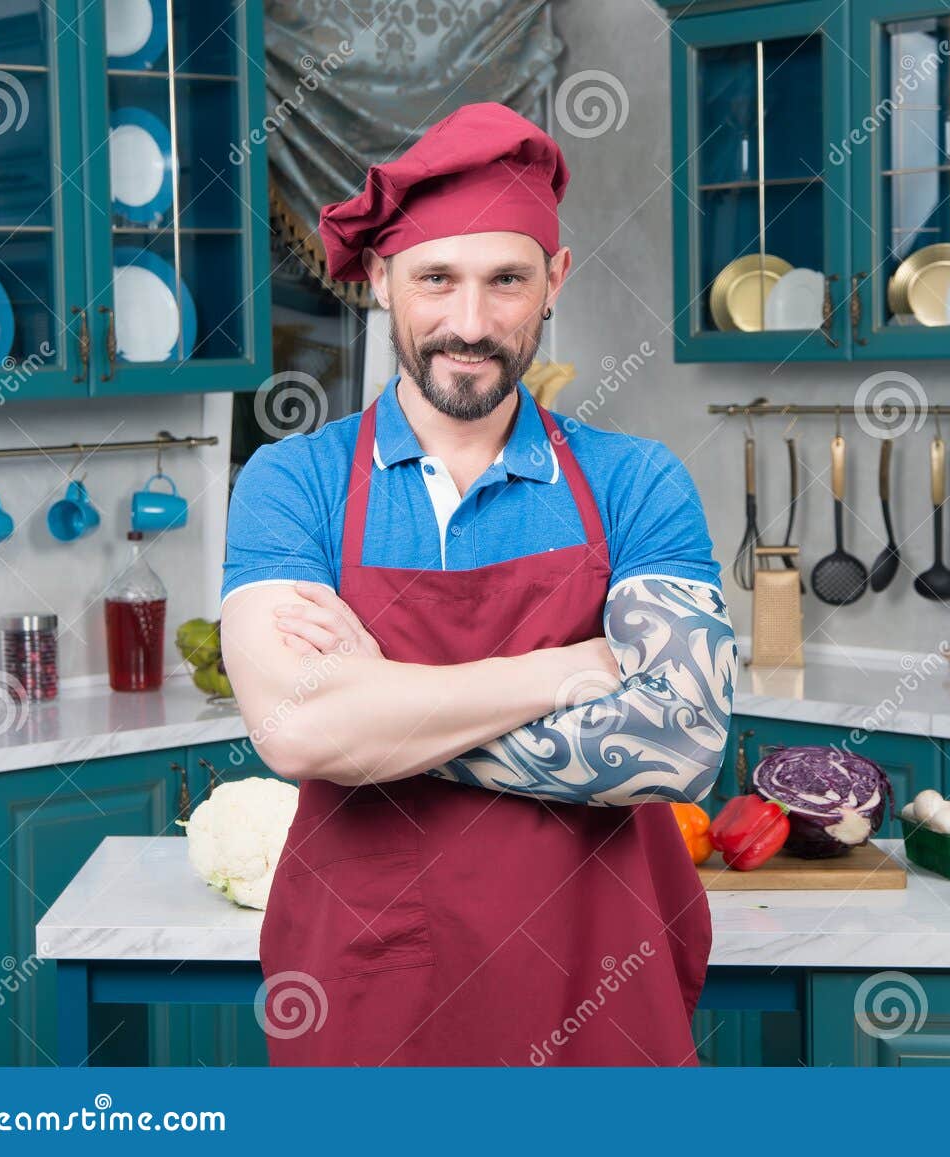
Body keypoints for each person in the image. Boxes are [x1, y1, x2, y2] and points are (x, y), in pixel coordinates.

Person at [219, 102, 735, 1066]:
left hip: (602, 979)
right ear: (381, 281)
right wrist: (567, 668)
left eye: (506, 280)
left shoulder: (635, 481)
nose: (470, 322)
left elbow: (681, 744)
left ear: (554, 284)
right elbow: (296, 729)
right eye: (435, 280)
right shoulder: (295, 484)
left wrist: (376, 721)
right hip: (372, 983)